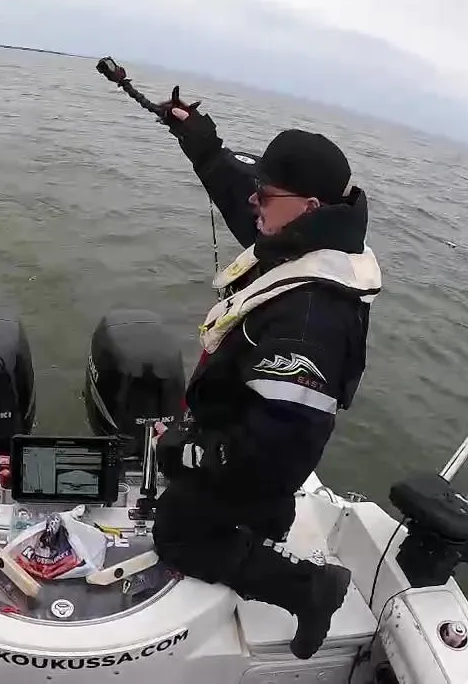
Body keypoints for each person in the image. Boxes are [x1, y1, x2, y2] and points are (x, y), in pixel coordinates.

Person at [149, 96, 382, 660]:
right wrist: (199, 138)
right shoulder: (311, 235)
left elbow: (282, 446)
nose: (254, 199)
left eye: (266, 194)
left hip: (260, 451)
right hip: (251, 420)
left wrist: (189, 451)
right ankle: (268, 519)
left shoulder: (310, 320)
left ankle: (309, 590)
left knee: (175, 532)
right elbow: (241, 197)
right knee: (253, 496)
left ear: (308, 206)